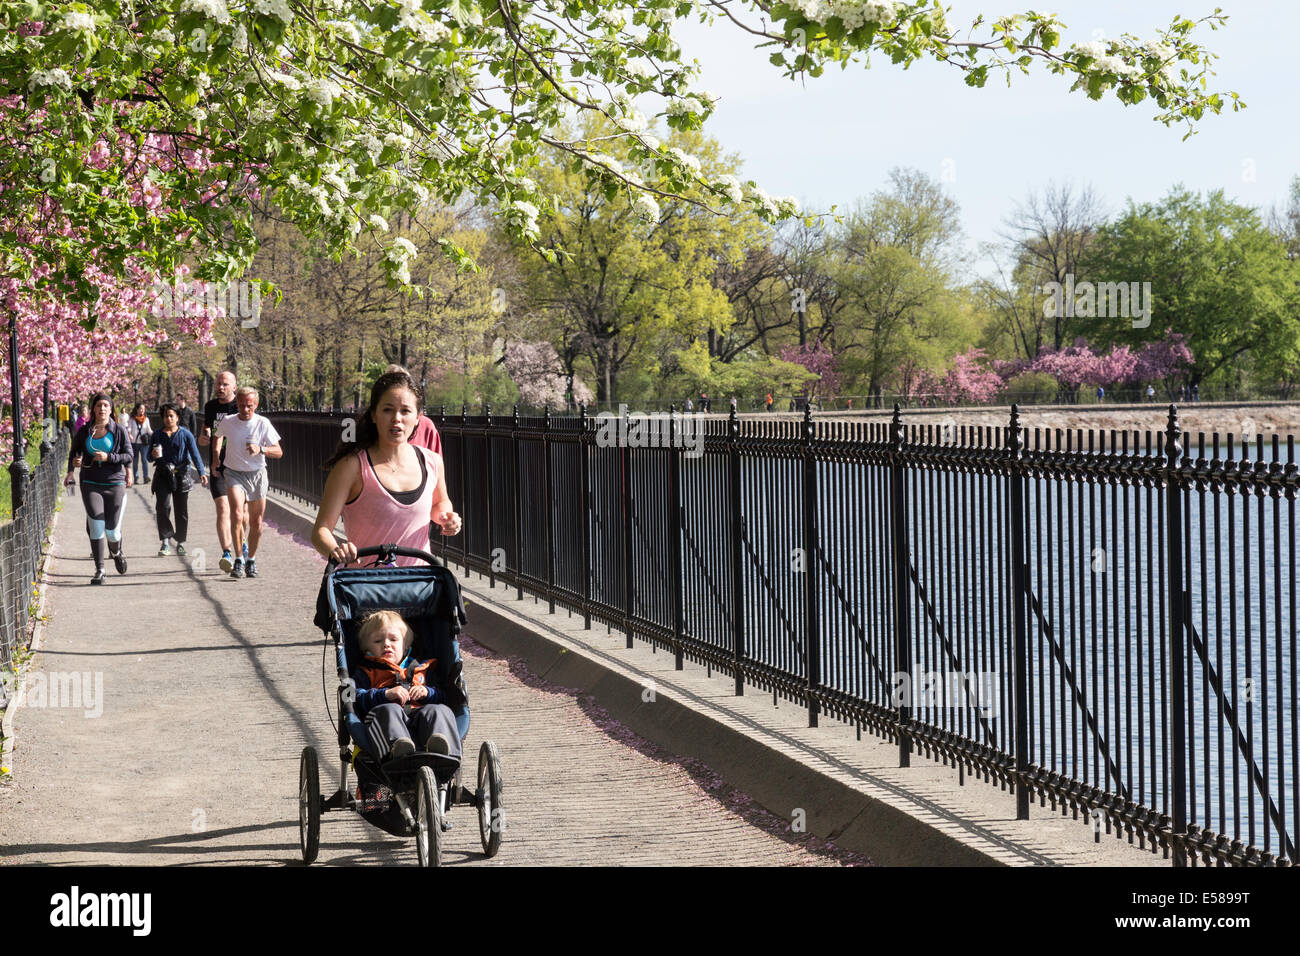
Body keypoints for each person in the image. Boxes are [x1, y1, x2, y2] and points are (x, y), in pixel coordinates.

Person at [312, 367, 462, 569]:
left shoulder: (432, 461)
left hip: (419, 588)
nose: (396, 419)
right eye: (388, 410)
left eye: (405, 411)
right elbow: (321, 531)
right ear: (373, 415)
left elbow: (439, 504)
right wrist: (336, 550)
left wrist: (447, 517)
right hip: (367, 591)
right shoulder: (352, 466)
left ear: (418, 417)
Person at [352, 610, 463, 762]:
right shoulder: (367, 671)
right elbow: (356, 697)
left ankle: (442, 750)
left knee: (439, 710)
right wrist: (384, 694)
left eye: (393, 639)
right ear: (368, 649)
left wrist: (427, 692)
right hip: (386, 721)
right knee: (388, 710)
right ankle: (397, 749)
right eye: (378, 641)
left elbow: (445, 695)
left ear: (405, 646)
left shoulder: (423, 668)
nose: (386, 644)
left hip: (422, 718)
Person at [213, 386, 282, 579]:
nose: (245, 410)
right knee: (236, 514)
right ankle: (238, 559)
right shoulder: (228, 421)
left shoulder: (263, 423)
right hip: (234, 473)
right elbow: (217, 436)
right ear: (237, 404)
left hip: (257, 474)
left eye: (249, 406)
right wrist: (215, 457)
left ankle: (251, 558)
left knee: (256, 522)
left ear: (256, 405)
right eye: (242, 405)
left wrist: (261, 449)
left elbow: (279, 451)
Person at [64, 393, 132, 584]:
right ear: (93, 409)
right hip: (91, 482)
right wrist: (73, 468)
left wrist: (109, 458)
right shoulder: (85, 431)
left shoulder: (119, 431)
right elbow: (74, 452)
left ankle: (117, 552)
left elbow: (128, 455)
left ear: (111, 409)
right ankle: (100, 570)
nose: (102, 409)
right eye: (99, 405)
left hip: (114, 482)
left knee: (112, 532)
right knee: (96, 526)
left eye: (105, 406)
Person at [149, 402, 208, 556]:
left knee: (181, 510)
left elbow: (195, 453)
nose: (168, 419)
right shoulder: (157, 434)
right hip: (162, 474)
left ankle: (180, 542)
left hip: (181, 474)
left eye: (171, 416)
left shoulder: (185, 434)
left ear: (177, 417)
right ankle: (165, 541)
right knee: (162, 507)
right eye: (166, 416)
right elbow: (149, 456)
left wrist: (201, 472)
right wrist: (153, 455)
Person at [201, 371, 240, 572]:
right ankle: (226, 553)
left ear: (234, 386)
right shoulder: (210, 407)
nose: (220, 387)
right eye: (218, 384)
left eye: (225, 384)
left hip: (239, 465)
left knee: (240, 514)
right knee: (223, 508)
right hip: (217, 465)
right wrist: (205, 437)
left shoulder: (240, 406)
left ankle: (242, 548)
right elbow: (203, 434)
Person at [126, 402, 152, 483]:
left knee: (144, 460)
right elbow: (129, 429)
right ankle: (136, 477)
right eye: (141, 409)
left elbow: (149, 430)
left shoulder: (146, 419)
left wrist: (156, 435)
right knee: (135, 461)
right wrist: (129, 434)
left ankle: (145, 476)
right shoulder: (132, 419)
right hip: (135, 442)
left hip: (144, 443)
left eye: (143, 409)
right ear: (137, 409)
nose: (142, 411)